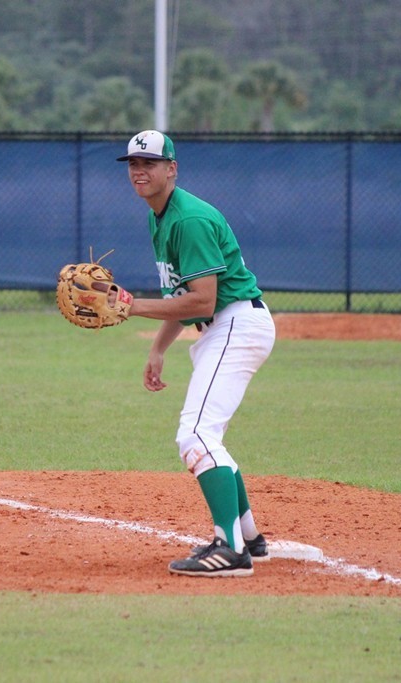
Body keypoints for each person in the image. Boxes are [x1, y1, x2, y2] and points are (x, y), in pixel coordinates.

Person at [118, 130, 277, 578]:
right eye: (132, 163)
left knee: (196, 435)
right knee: (208, 435)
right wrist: (158, 348)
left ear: (172, 169)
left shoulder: (186, 220)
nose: (139, 171)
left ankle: (230, 550)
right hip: (224, 328)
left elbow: (203, 301)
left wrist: (132, 306)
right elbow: (182, 293)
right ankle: (249, 536)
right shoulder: (160, 216)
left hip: (234, 324)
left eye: (149, 163)